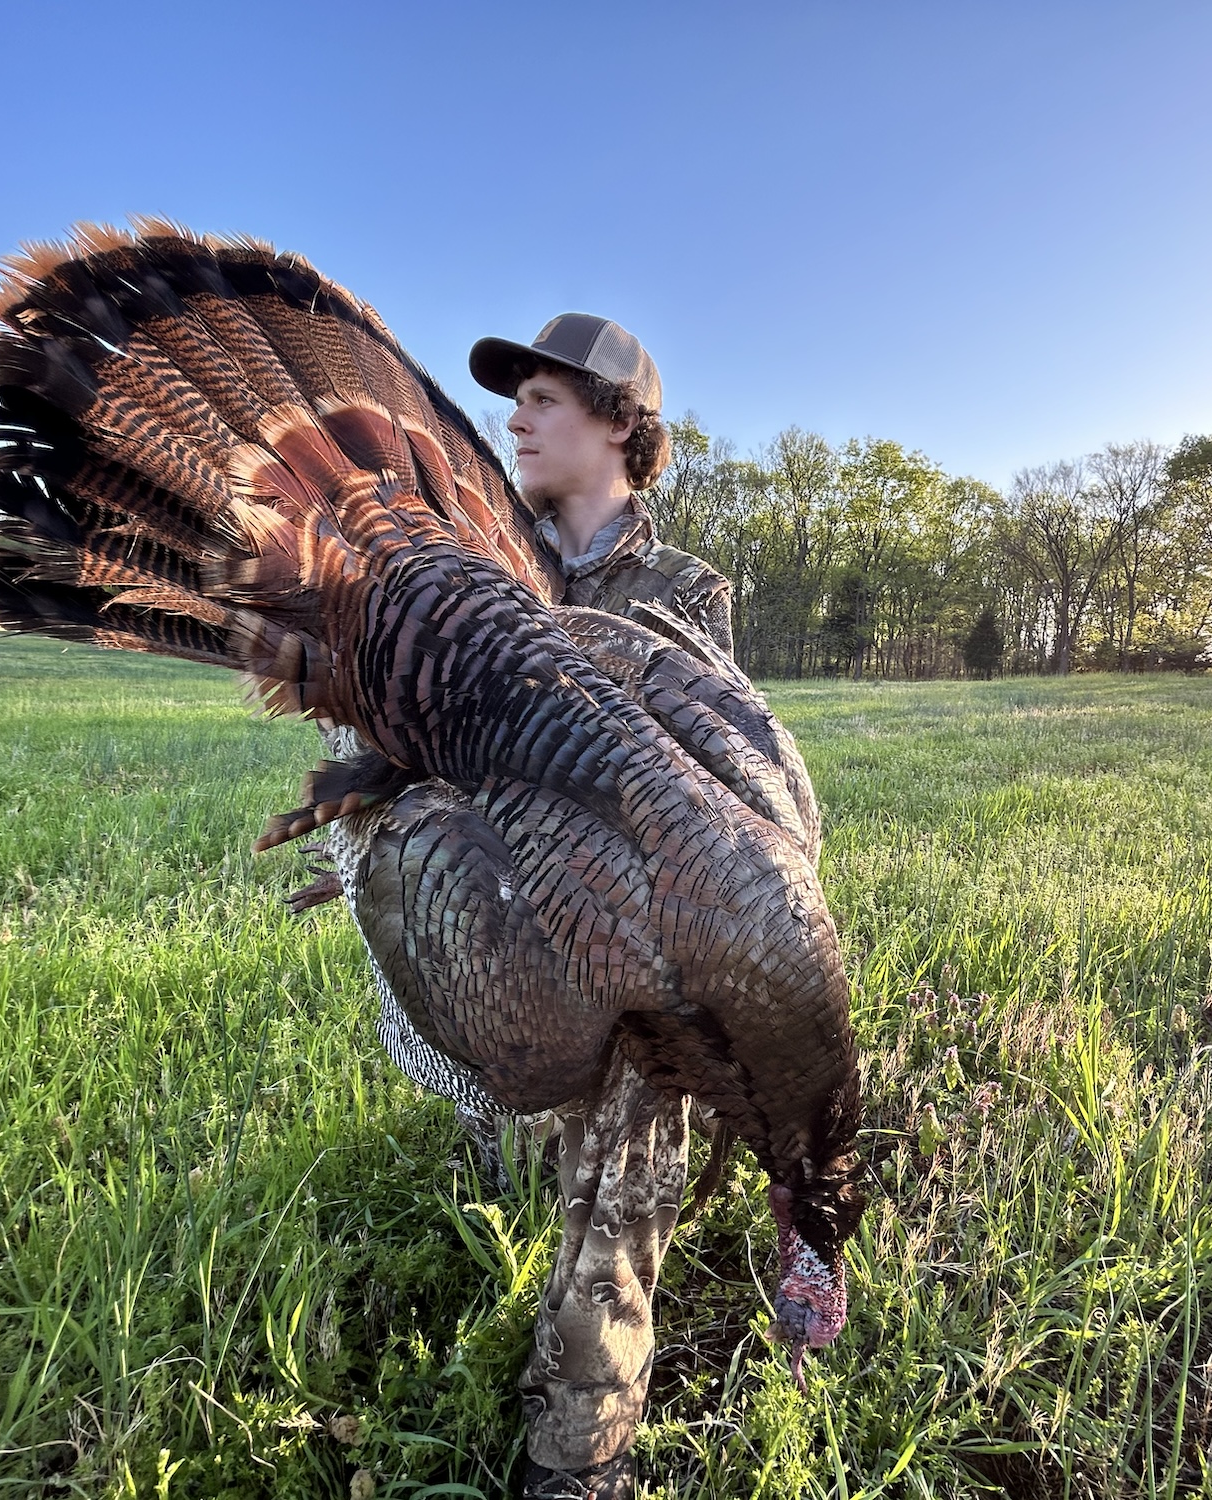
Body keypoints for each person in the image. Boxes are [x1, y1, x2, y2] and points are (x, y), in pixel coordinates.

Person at [468, 315, 732, 1500]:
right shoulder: (480, 559)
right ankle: (501, 1156)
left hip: (628, 919)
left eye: (543, 399)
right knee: (516, 1122)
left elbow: (701, 779)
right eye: (514, 399)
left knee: (625, 1164)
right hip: (493, 913)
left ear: (619, 422)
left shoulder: (683, 593)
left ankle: (579, 1452)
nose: (514, 419)